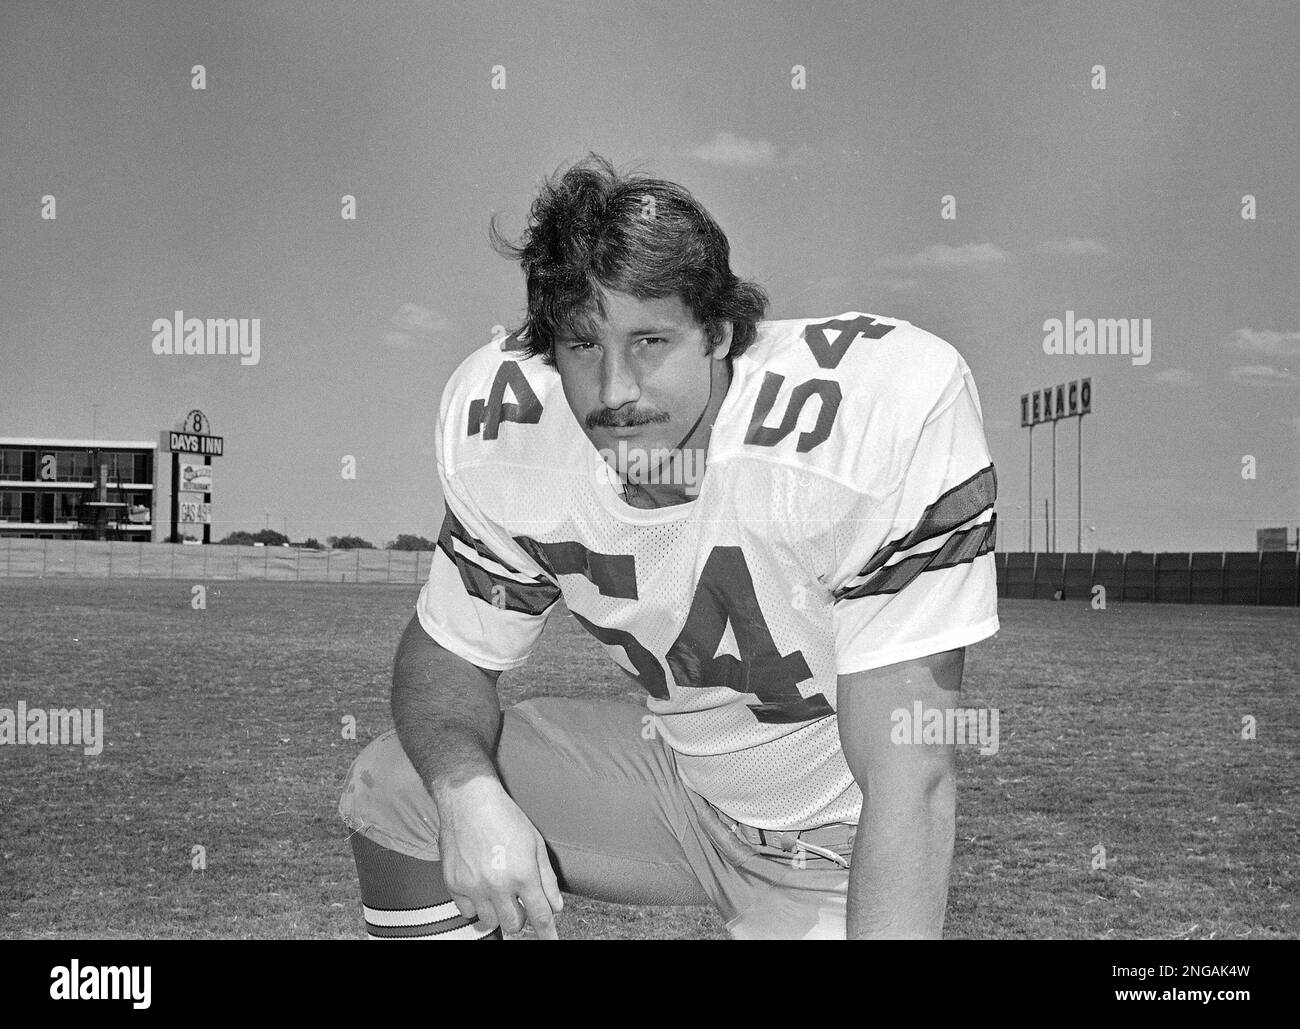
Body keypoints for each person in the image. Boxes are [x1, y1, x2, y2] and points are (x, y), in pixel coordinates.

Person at [338, 154, 999, 939]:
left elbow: (911, 781)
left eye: (649, 339)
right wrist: (467, 797)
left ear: (718, 331)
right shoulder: (513, 431)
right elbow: (444, 657)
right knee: (399, 785)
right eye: (582, 347)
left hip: (839, 846)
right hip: (684, 794)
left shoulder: (873, 419)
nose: (615, 390)